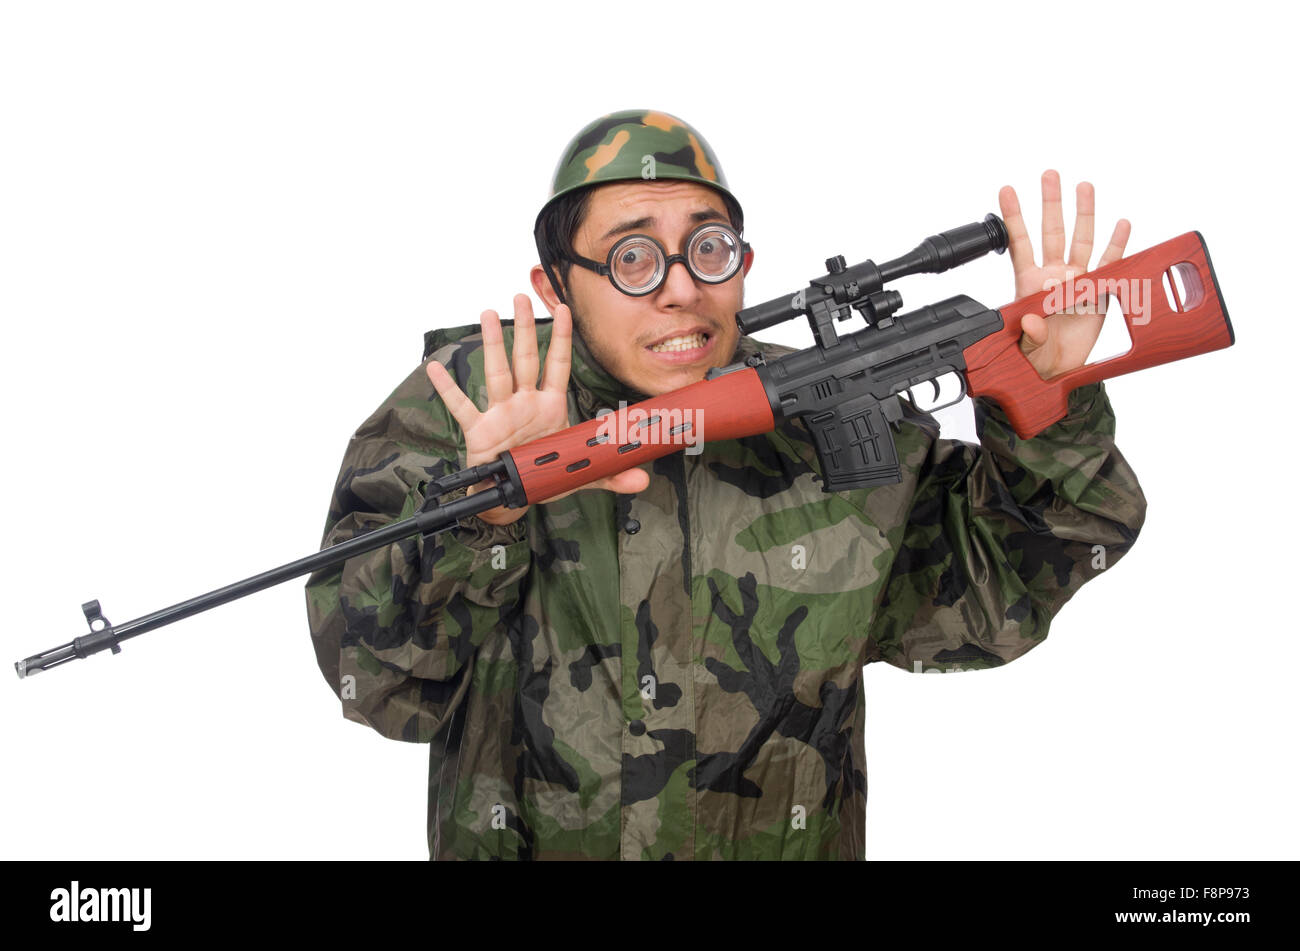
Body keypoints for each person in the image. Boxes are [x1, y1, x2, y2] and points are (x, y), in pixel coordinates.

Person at [305, 109, 1146, 860]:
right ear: (555, 286)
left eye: (709, 248)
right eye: (632, 256)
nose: (681, 288)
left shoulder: (829, 414)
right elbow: (374, 681)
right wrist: (481, 514)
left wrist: (1050, 400)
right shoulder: (464, 412)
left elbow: (1001, 597)